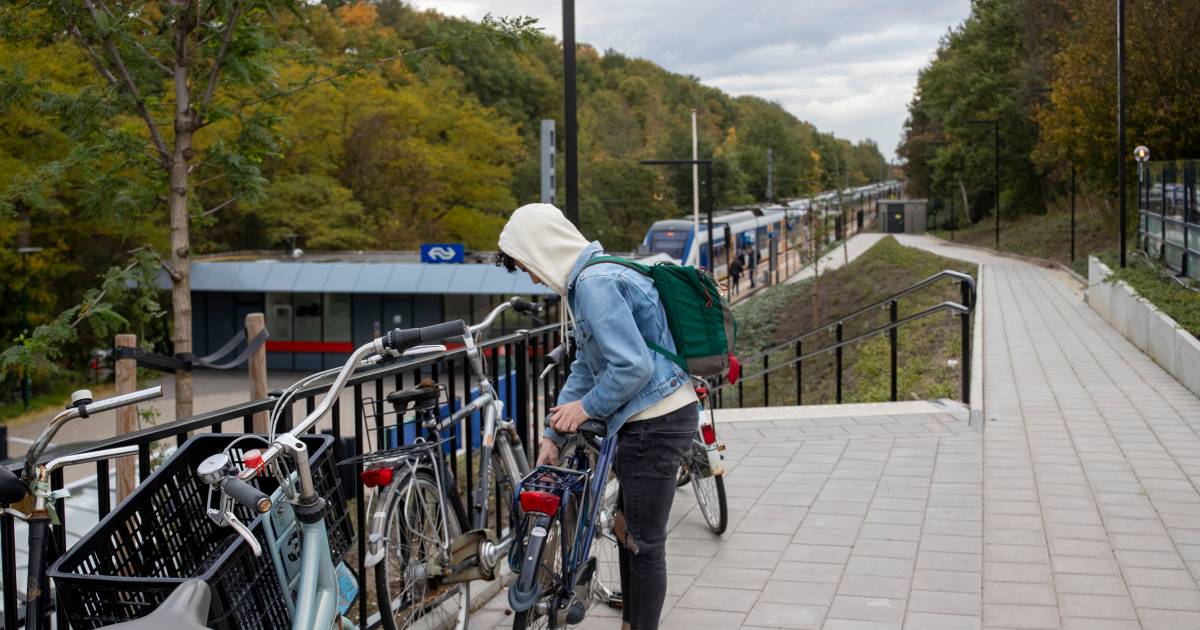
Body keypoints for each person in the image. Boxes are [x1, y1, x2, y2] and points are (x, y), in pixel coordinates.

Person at [496, 203, 698, 630]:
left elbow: (631, 367)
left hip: (655, 423)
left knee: (642, 543)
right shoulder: (589, 280)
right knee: (627, 531)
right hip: (650, 420)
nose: (532, 276)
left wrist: (585, 408)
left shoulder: (594, 284)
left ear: (542, 248)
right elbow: (588, 366)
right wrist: (553, 431)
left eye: (527, 265)